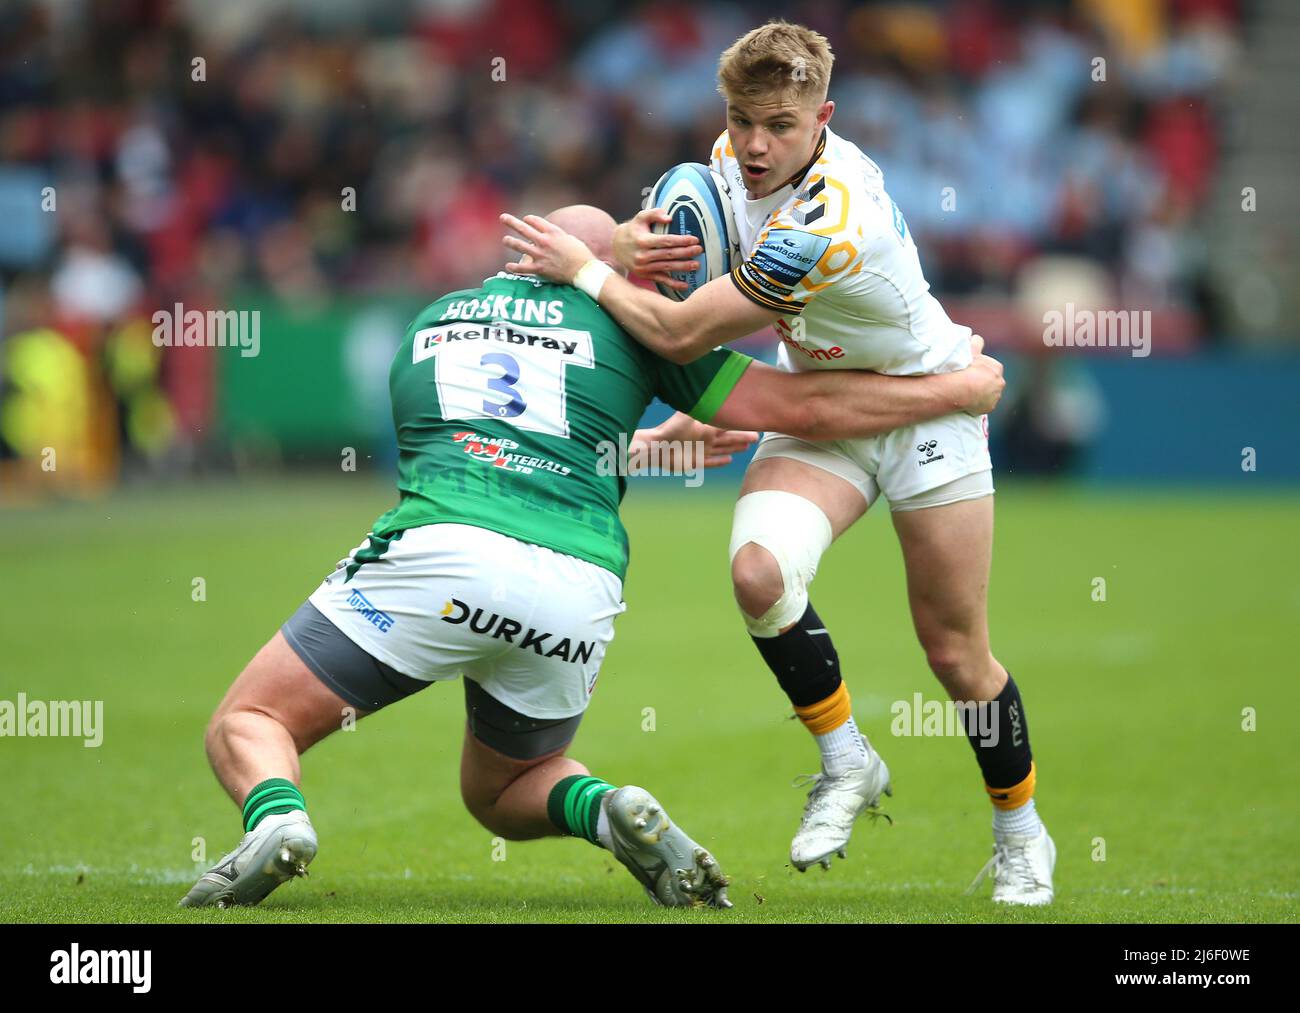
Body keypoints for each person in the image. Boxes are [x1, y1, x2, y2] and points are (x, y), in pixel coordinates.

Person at [181, 204, 1004, 911]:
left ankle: (278, 817)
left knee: (250, 721)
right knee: (503, 791)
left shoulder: (429, 322)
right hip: (575, 590)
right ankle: (610, 808)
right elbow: (805, 408)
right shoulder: (631, 329)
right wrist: (954, 390)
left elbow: (504, 442)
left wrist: (633, 447)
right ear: (596, 266)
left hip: (442, 553)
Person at [499, 21, 1054, 906]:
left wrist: (586, 268)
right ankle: (847, 761)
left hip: (928, 404)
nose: (755, 144)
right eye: (741, 118)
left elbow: (682, 331)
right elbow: (684, 263)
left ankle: (1022, 831)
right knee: (759, 574)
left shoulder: (831, 218)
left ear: (822, 118)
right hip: (820, 405)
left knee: (955, 654)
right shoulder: (725, 160)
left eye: (780, 126)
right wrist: (631, 251)